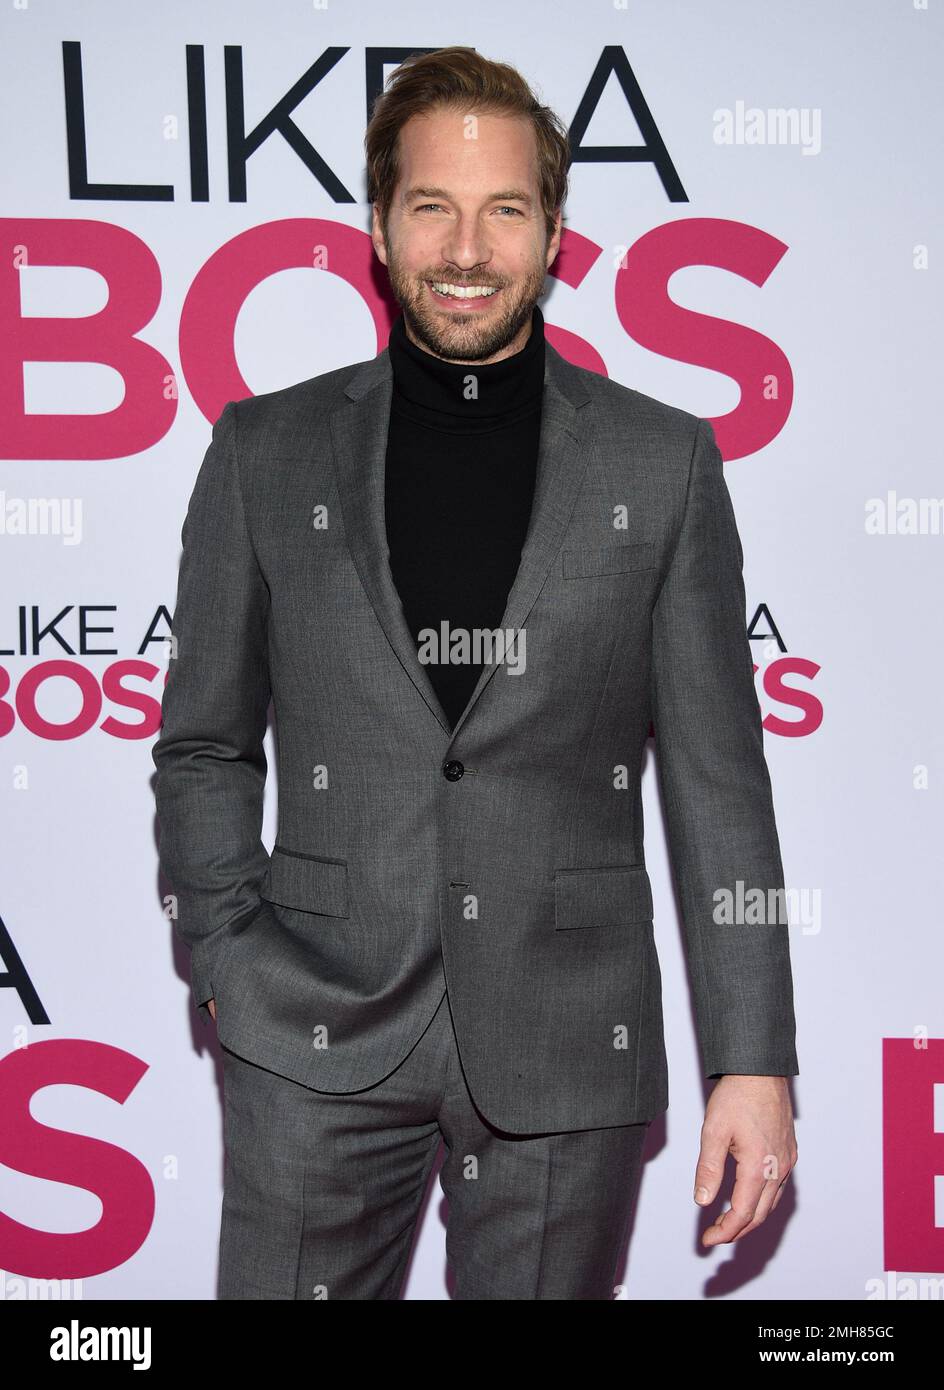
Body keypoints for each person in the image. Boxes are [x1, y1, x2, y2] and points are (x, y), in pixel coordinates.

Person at [152, 46, 798, 1301]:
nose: (466, 246)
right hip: (310, 1033)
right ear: (379, 231)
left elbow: (721, 786)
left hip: (568, 1042)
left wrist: (753, 1059)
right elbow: (203, 745)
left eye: (504, 208)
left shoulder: (660, 466)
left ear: (553, 232)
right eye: (430, 207)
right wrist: (227, 953)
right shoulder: (264, 452)